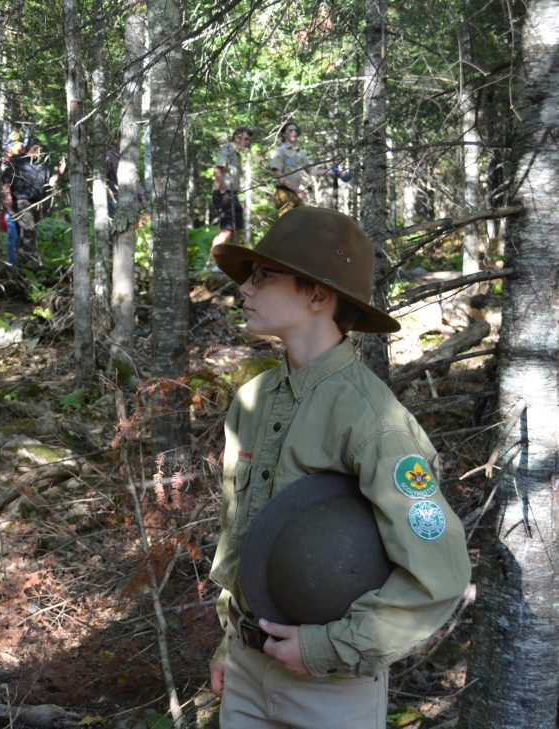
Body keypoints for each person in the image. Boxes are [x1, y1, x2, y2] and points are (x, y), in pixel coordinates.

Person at [207, 207, 470, 728]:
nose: (244, 288)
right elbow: (240, 535)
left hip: (328, 691)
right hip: (244, 671)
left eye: (263, 275)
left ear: (317, 295)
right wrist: (228, 639)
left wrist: (330, 648)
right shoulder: (252, 400)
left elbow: (439, 574)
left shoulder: (374, 422)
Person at [1, 141, 64, 268]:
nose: (37, 151)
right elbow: (6, 182)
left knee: (25, 233)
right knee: (28, 231)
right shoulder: (18, 162)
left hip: (37, 203)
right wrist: (7, 199)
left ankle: (20, 266)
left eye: (40, 149)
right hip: (21, 201)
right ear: (28, 149)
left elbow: (51, 183)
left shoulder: (44, 166)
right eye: (35, 148)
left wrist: (59, 172)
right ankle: (33, 265)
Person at [268, 120, 321, 216]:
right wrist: (297, 190)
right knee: (287, 223)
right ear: (284, 134)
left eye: (295, 130)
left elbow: (312, 171)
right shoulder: (280, 151)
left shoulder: (301, 152)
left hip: (296, 194)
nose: (294, 132)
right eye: (290, 130)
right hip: (284, 193)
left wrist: (335, 172)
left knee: (303, 221)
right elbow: (280, 177)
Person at [212, 126, 252, 247]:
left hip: (232, 195)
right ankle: (213, 257)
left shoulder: (237, 154)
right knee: (227, 229)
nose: (247, 142)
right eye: (245, 139)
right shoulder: (228, 148)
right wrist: (223, 192)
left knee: (237, 228)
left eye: (249, 139)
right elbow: (218, 170)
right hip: (223, 194)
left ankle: (232, 256)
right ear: (237, 137)